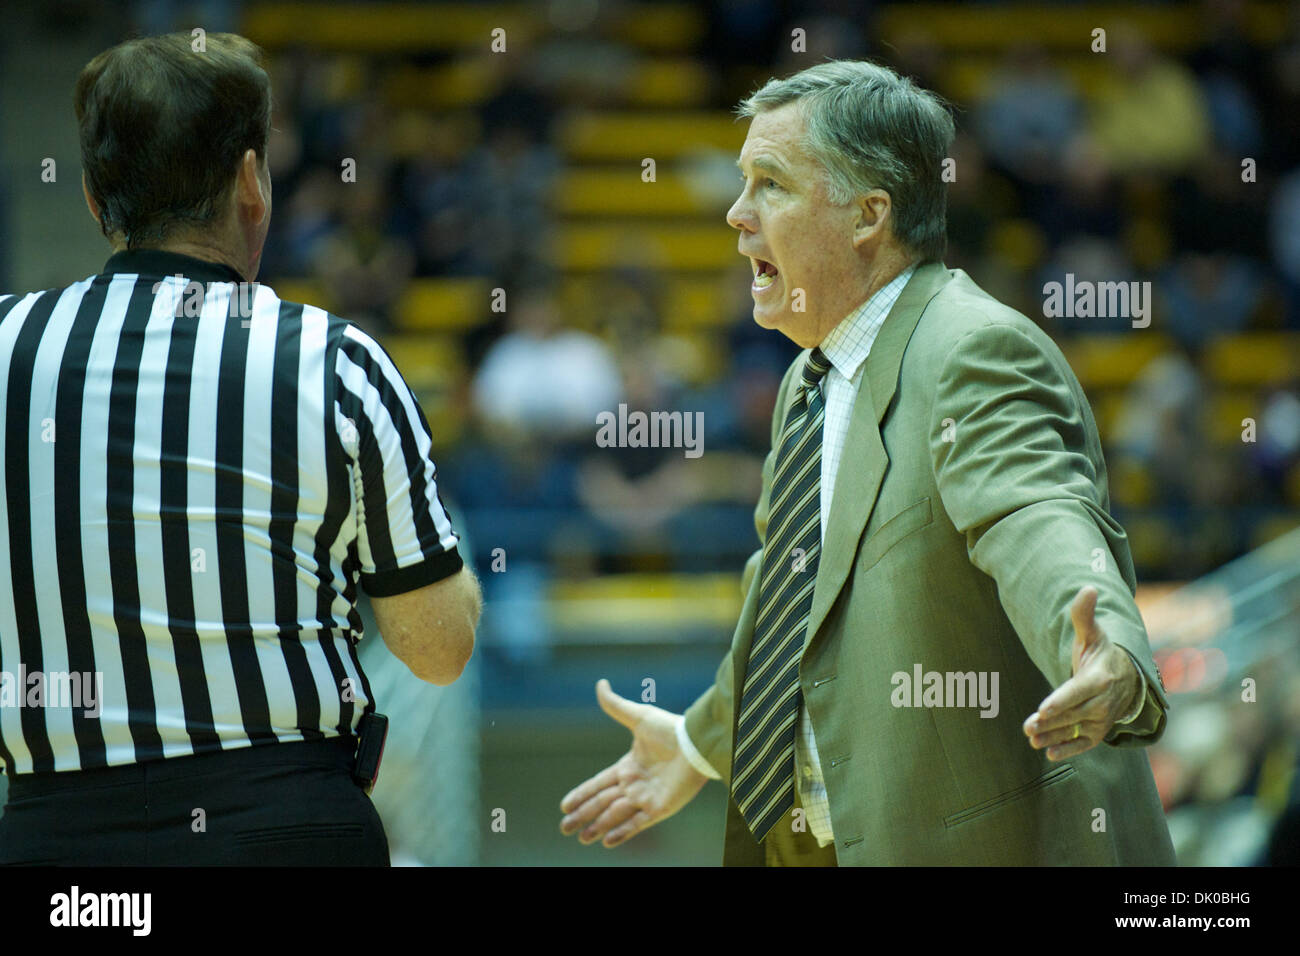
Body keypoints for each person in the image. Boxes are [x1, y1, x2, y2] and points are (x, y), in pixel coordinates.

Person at [559, 59, 1176, 866]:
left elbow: (1034, 516)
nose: (737, 215)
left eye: (770, 185)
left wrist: (1105, 650)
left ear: (868, 215)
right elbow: (789, 605)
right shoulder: (807, 381)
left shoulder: (972, 349)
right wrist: (704, 743)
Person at [0, 32, 480, 865]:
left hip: (58, 844)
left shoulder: (6, 345)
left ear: (90, 196)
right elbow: (439, 648)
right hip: (285, 830)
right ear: (252, 182)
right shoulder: (334, 362)